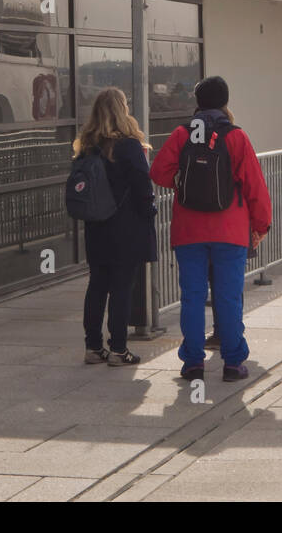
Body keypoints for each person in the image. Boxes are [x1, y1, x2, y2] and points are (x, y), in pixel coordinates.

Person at [150, 76, 272, 382]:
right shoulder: (235, 137)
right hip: (229, 231)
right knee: (228, 297)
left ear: (197, 102)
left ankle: (193, 363)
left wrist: (180, 181)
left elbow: (158, 173)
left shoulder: (182, 134)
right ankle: (232, 363)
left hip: (188, 231)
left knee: (192, 297)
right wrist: (260, 225)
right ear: (225, 103)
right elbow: (255, 185)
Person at [74, 87, 158, 367]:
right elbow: (143, 187)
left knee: (97, 285)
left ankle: (93, 347)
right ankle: (119, 349)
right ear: (122, 110)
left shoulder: (86, 146)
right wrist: (150, 212)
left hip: (96, 227)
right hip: (126, 228)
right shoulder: (128, 146)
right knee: (122, 287)